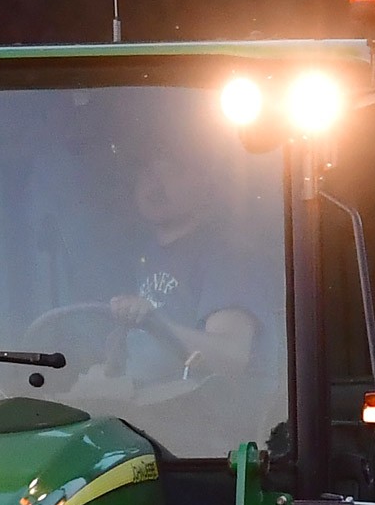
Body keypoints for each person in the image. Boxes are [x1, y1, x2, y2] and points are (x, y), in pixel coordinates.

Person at [104, 150, 263, 384]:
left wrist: (155, 324)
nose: (154, 183)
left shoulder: (226, 256)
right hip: (136, 406)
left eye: (173, 170)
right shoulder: (139, 255)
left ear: (208, 185)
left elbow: (231, 358)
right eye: (146, 172)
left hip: (196, 414)